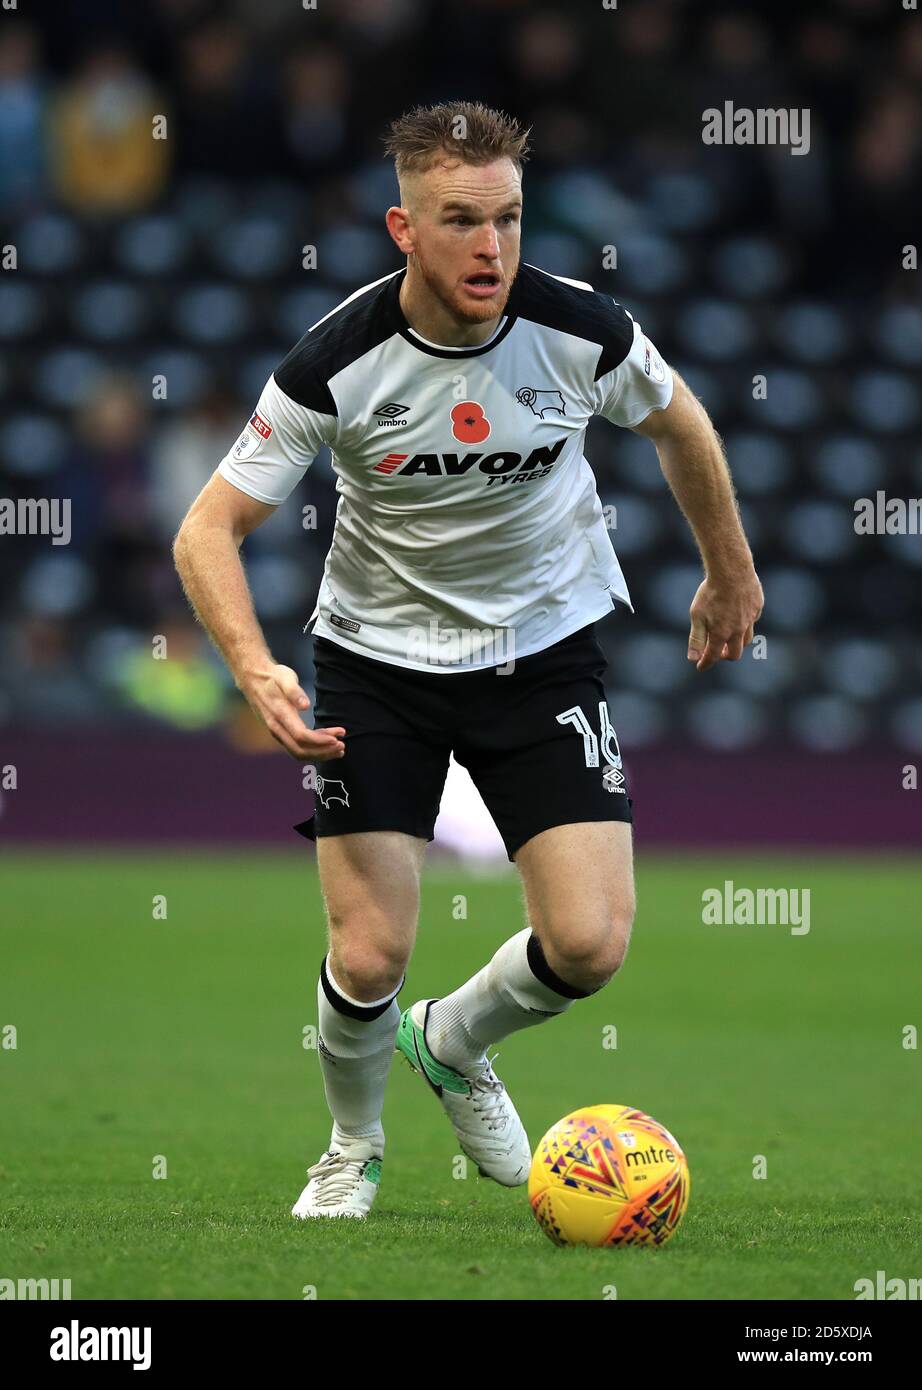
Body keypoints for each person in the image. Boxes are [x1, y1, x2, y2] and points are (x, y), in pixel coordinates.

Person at [173, 100, 763, 1220]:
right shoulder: (336, 363)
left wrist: (728, 571)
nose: (491, 246)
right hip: (376, 663)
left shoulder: (581, 330)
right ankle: (351, 1145)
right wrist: (255, 673)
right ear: (403, 228)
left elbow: (683, 426)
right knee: (367, 953)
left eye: (507, 218)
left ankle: (450, 1041)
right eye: (460, 221)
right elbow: (205, 529)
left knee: (588, 944)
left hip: (540, 655)